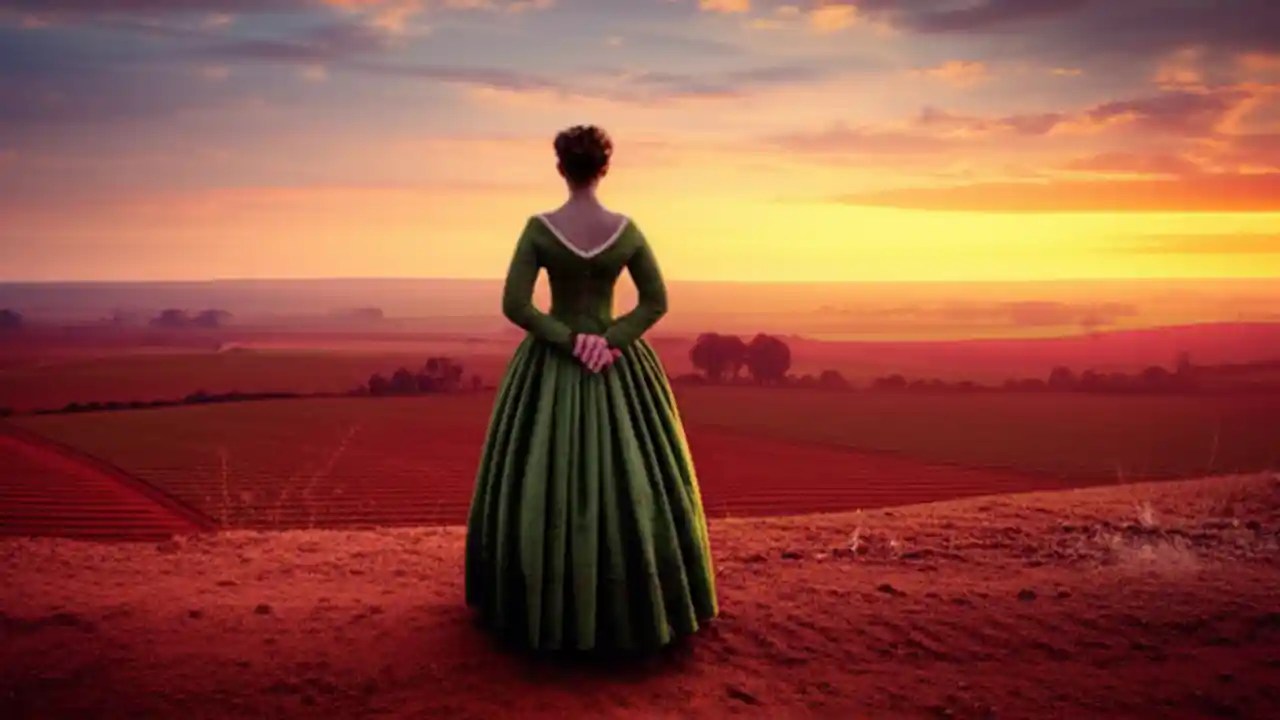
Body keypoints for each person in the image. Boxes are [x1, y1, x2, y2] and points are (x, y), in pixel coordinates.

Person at [465, 125, 718, 653]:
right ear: (605, 168)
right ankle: (634, 609)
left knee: (539, 476)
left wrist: (568, 340)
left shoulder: (538, 228)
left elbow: (516, 305)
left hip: (552, 366)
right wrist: (609, 341)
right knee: (636, 480)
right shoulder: (626, 230)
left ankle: (537, 606)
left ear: (561, 168)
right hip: (615, 363)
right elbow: (655, 302)